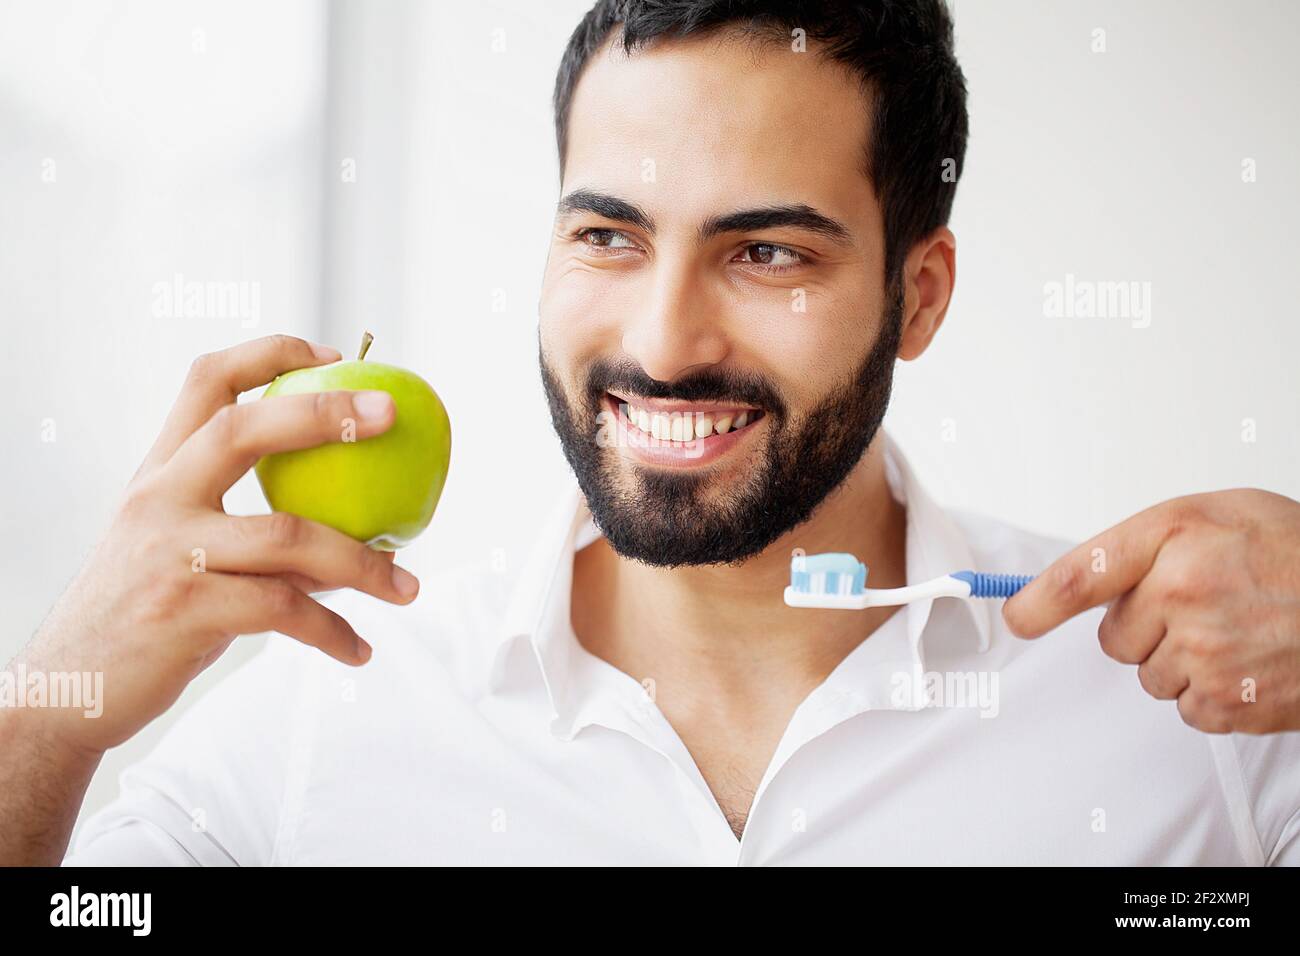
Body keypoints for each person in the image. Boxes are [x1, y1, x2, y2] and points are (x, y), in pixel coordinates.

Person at [2, 0, 1298, 866]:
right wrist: (47, 719)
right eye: (609, 235)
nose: (666, 341)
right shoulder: (319, 724)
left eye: (768, 250)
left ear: (919, 296)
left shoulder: (1203, 719)